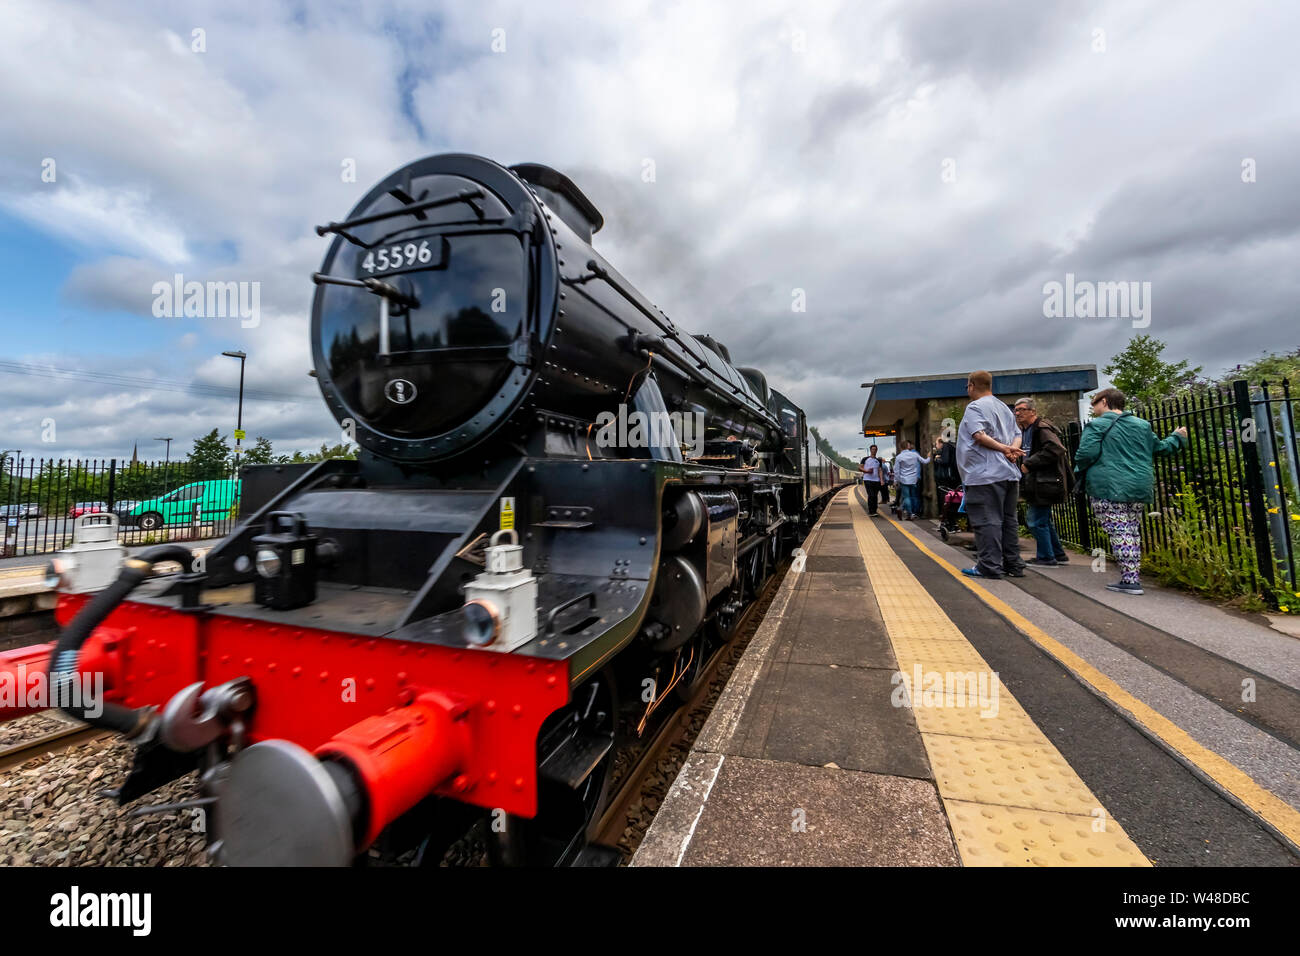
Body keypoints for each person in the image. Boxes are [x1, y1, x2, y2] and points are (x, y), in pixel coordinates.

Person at [1074, 388, 1188, 595]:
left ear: (1105, 402)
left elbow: (1084, 454)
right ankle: (1131, 575)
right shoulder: (1142, 425)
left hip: (1108, 485)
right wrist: (1177, 437)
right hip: (1138, 485)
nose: (1092, 407)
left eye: (1094, 402)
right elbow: (1160, 448)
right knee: (1131, 530)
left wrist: (1080, 471)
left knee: (1119, 530)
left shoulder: (1097, 425)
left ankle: (1131, 580)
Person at [955, 370, 1025, 579]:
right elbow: (1017, 435)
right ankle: (1013, 564)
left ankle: (989, 566)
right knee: (1009, 521)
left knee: (987, 521)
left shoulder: (974, 407)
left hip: (984, 475)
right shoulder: (1003, 407)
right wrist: (1012, 449)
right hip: (1008, 474)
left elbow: (979, 435)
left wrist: (1005, 449)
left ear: (971, 386)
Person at [1012, 398, 1071, 566]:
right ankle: (1058, 554)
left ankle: (1046, 557)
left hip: (1046, 481)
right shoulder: (1027, 430)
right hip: (1039, 482)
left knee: (1035, 520)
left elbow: (1056, 449)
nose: (1018, 413)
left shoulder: (1041, 428)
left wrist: (1029, 464)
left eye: (1022, 409)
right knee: (1043, 520)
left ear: (1033, 411)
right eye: (1016, 410)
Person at [892, 440, 931, 520]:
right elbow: (925, 461)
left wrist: (896, 481)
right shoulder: (915, 454)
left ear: (901, 447)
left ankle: (910, 514)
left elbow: (896, 471)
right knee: (914, 496)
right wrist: (929, 456)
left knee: (907, 497)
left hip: (904, 480)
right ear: (908, 446)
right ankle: (911, 512)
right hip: (914, 479)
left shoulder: (899, 457)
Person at [860, 444, 885, 516]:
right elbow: (860, 468)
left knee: (875, 495)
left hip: (876, 480)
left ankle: (875, 510)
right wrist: (867, 471)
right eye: (873, 449)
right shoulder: (865, 459)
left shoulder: (878, 460)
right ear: (870, 450)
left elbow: (880, 470)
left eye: (875, 449)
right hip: (867, 479)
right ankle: (871, 511)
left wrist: (881, 480)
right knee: (871, 495)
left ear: (877, 450)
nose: (874, 450)